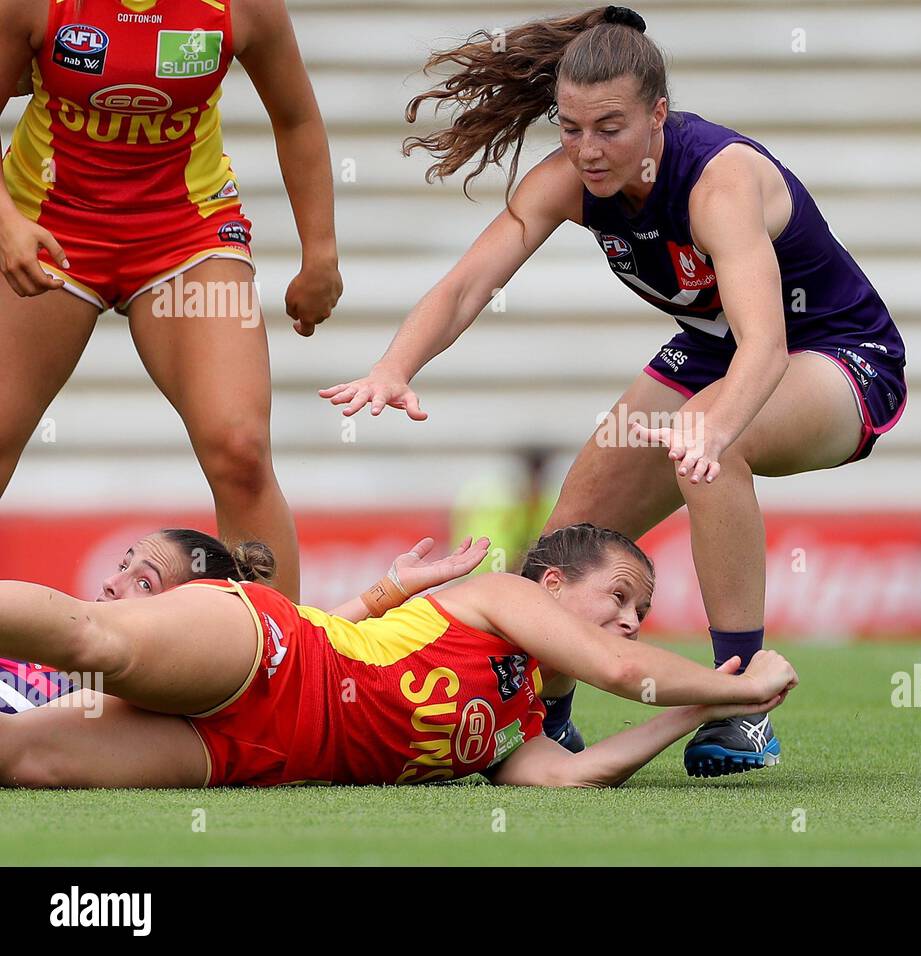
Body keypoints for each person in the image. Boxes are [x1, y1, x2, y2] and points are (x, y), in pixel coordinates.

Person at [320, 5, 904, 775]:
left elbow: (764, 349)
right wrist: (396, 365)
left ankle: (744, 705)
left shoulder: (717, 181)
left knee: (704, 439)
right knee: (571, 535)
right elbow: (468, 285)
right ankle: (546, 717)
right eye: (570, 128)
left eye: (610, 127)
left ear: (658, 115)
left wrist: (714, 425)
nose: (588, 151)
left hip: (836, 354)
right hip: (709, 349)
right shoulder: (569, 181)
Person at [0, 525, 797, 788]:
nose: (629, 621)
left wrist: (708, 706)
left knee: (26, 760)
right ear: (551, 583)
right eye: (618, 598)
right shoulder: (505, 598)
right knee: (89, 638)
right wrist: (748, 676)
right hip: (277, 655)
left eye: (642, 612)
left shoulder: (524, 724)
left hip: (258, 753)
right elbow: (625, 673)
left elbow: (569, 776)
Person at [0, 0, 344, 600]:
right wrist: (5, 221)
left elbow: (296, 119)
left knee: (240, 450)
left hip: (186, 233)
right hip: (49, 225)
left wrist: (320, 254)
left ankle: (280, 673)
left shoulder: (243, 7)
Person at [0, 528, 489, 714]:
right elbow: (314, 631)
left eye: (145, 583)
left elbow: (305, 653)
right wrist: (389, 589)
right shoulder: (51, 641)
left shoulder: (153, 702)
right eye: (124, 565)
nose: (111, 582)